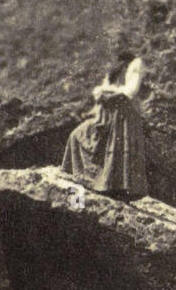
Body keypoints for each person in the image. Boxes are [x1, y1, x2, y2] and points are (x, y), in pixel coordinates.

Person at [61, 44, 148, 199]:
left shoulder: (137, 64)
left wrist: (108, 93)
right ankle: (86, 179)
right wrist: (102, 93)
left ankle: (113, 190)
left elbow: (130, 91)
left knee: (117, 150)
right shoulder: (115, 66)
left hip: (123, 114)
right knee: (78, 135)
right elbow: (101, 89)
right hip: (106, 113)